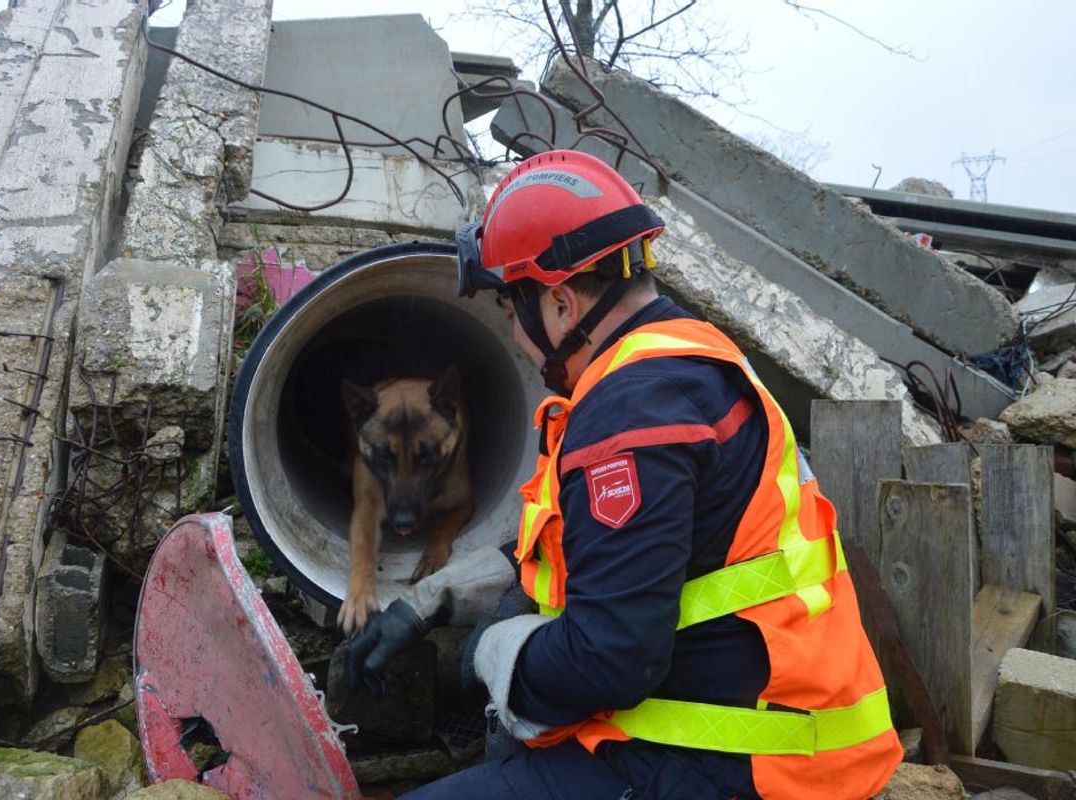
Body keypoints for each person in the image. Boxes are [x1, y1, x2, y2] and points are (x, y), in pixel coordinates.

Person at [345, 150, 901, 800]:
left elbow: (611, 660)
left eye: (509, 315)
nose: (519, 344)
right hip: (771, 736)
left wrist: (495, 656)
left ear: (557, 303)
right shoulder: (686, 362)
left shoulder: (633, 414)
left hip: (729, 762)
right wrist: (429, 601)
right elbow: (590, 541)